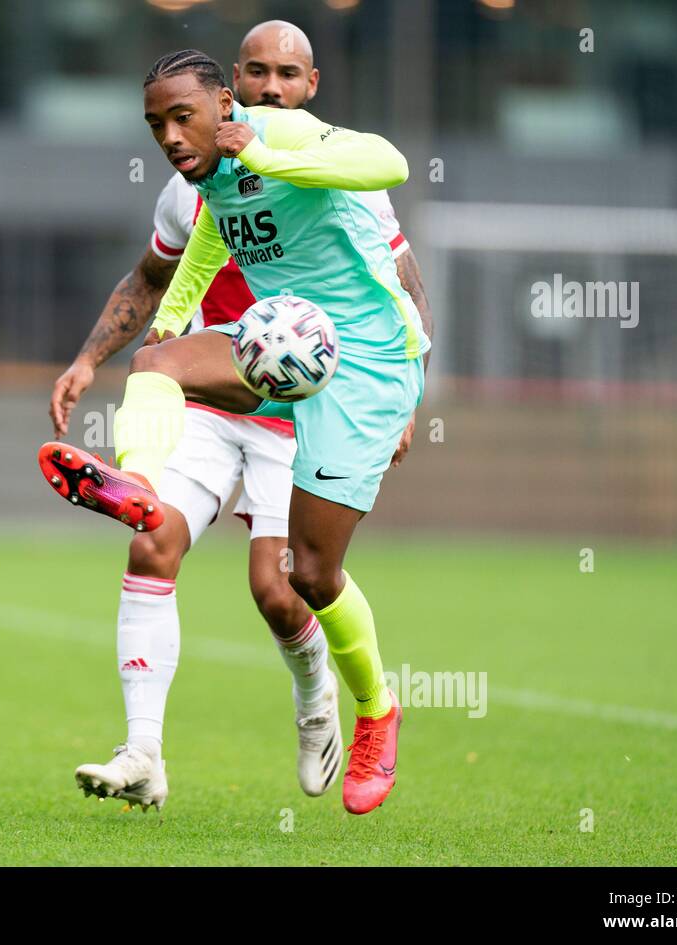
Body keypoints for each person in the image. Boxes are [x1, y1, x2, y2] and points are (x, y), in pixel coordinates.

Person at [40, 45, 429, 816]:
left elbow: (390, 162)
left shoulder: (282, 137)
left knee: (308, 579)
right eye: (156, 125)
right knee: (157, 366)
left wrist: (273, 153)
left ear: (225, 107)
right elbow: (201, 255)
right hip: (279, 348)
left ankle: (376, 710)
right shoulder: (206, 183)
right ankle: (140, 491)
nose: (170, 137)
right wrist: (171, 325)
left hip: (368, 364)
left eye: (182, 117)